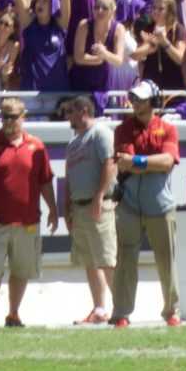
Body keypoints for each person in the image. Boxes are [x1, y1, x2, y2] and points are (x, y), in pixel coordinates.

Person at [0, 97, 58, 326]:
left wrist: (53, 208)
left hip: (27, 221)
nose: (8, 121)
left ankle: (14, 313)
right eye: (4, 116)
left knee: (21, 270)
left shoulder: (37, 146)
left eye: (12, 117)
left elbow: (45, 181)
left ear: (23, 117)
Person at [111, 79, 182, 327]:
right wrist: (151, 162)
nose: (135, 103)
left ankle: (171, 310)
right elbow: (124, 161)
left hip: (160, 205)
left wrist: (139, 162)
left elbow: (167, 161)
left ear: (153, 102)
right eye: (134, 98)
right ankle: (121, 312)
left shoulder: (168, 129)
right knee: (125, 259)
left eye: (141, 99)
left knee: (166, 259)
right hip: (130, 204)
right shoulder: (123, 129)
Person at [61, 92, 118, 323]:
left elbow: (110, 164)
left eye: (70, 113)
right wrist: (68, 208)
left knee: (106, 258)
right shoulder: (73, 143)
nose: (67, 118)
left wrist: (99, 197)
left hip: (99, 206)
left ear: (83, 111)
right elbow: (68, 177)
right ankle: (100, 309)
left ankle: (120, 308)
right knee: (90, 261)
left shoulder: (100, 133)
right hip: (79, 207)